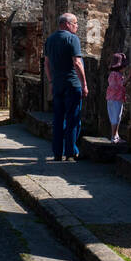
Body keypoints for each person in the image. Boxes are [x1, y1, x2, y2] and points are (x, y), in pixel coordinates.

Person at [43, 12, 87, 162]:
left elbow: (46, 64)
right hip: (72, 84)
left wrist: (50, 82)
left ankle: (57, 152)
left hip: (57, 84)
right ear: (67, 24)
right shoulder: (72, 38)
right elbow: (77, 63)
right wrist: (84, 84)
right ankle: (70, 152)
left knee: (58, 118)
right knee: (73, 118)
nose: (76, 26)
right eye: (75, 23)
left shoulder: (49, 40)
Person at [106, 52, 128, 143]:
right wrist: (129, 77)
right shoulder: (118, 75)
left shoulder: (111, 74)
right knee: (117, 117)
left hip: (110, 98)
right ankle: (114, 137)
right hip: (117, 99)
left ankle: (116, 135)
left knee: (112, 117)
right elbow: (122, 84)